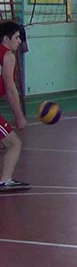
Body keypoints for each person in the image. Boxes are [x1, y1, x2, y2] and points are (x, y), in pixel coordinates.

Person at [0, 21, 30, 191]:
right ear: (6, 39)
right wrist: (19, 117)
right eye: (17, 37)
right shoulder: (7, 56)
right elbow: (11, 90)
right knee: (14, 144)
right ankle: (5, 180)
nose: (19, 41)